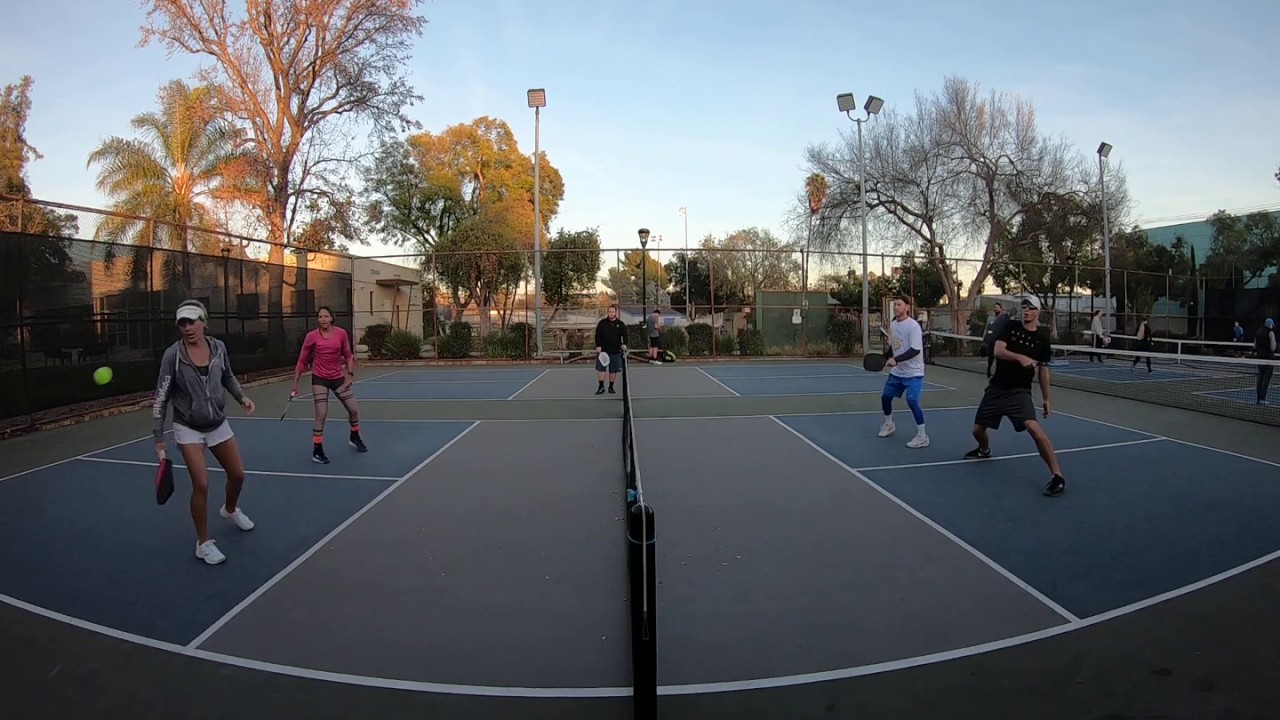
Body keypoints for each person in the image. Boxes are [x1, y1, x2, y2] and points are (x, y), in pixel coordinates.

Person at [152, 299, 257, 565]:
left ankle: (230, 509)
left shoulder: (219, 348)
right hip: (187, 427)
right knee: (201, 484)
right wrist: (159, 438)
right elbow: (161, 397)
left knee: (238, 475)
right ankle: (203, 543)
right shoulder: (172, 356)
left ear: (204, 323)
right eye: (182, 323)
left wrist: (241, 397)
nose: (187, 327)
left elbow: (228, 377)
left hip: (218, 423)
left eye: (192, 321)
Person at [964, 295, 1067, 497]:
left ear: (1037, 312)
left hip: (1020, 392)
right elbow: (998, 351)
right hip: (997, 389)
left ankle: (1057, 476)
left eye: (1029, 307)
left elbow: (1043, 371)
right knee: (977, 431)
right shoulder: (1010, 327)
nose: (1025, 310)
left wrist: (1046, 398)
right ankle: (984, 450)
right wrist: (1020, 357)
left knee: (1034, 428)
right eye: (1023, 307)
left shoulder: (1042, 339)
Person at [291, 306, 366, 463]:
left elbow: (348, 355)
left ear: (332, 317)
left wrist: (350, 375)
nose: (323, 319)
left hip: (337, 377)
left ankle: (354, 436)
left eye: (326, 316)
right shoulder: (311, 336)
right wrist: (295, 383)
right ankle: (317, 450)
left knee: (353, 410)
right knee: (321, 414)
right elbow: (302, 359)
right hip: (319, 378)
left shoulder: (341, 333)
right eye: (320, 317)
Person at [877, 295, 930, 448]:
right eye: (895, 305)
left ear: (907, 307)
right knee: (885, 398)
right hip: (897, 372)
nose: (896, 307)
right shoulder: (893, 325)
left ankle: (922, 436)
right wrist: (884, 357)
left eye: (899, 305)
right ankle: (889, 424)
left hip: (914, 372)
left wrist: (896, 359)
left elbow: (915, 350)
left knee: (912, 401)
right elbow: (895, 347)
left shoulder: (913, 326)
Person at [594, 305, 628, 395]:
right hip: (603, 351)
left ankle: (611, 387)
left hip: (615, 351)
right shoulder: (602, 323)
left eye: (613, 312)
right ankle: (601, 387)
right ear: (607, 312)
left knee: (613, 370)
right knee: (601, 369)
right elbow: (597, 335)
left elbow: (625, 335)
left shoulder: (620, 324)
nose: (611, 313)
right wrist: (598, 345)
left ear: (615, 313)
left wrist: (624, 344)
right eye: (609, 311)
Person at [982, 303, 1006, 377]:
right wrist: (984, 338)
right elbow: (987, 328)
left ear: (1001, 309)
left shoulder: (1003, 318)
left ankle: (999, 373)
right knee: (991, 357)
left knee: (999, 357)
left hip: (1000, 341)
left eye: (998, 307)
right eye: (995, 307)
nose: (996, 309)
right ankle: (989, 371)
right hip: (992, 341)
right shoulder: (990, 318)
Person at [1256, 318, 1276, 406]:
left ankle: (1258, 398)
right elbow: (1273, 347)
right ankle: (1262, 399)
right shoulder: (1271, 333)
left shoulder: (1258, 331)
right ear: (1270, 324)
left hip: (1259, 358)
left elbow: (1255, 345)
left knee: (1260, 378)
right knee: (1265, 379)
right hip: (1268, 359)